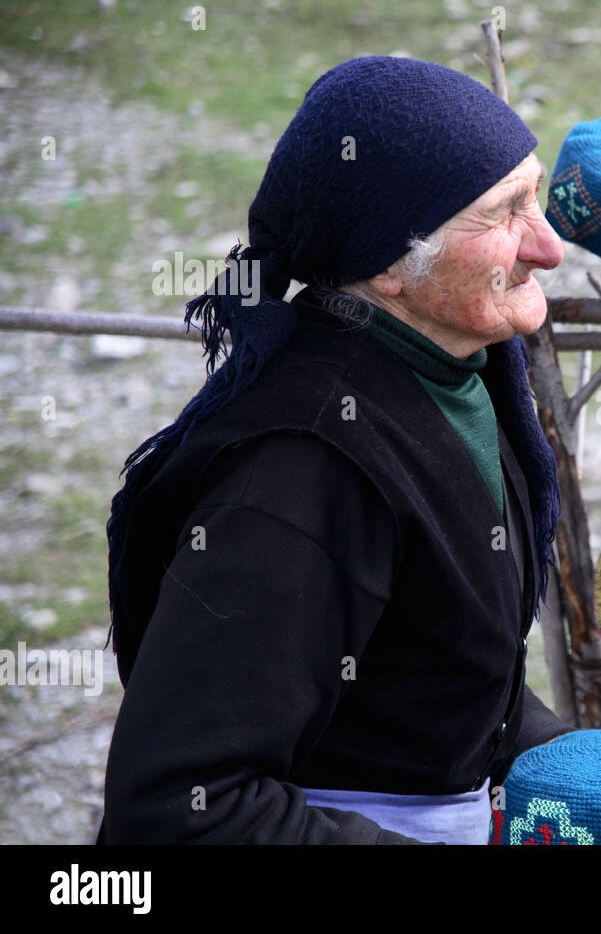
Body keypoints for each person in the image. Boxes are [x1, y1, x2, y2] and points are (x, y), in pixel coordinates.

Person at [99, 56, 572, 844]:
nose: (549, 247)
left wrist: (569, 764)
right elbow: (182, 805)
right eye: (503, 214)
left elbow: (429, 657)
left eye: (538, 196)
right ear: (388, 262)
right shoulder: (304, 470)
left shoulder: (469, 379)